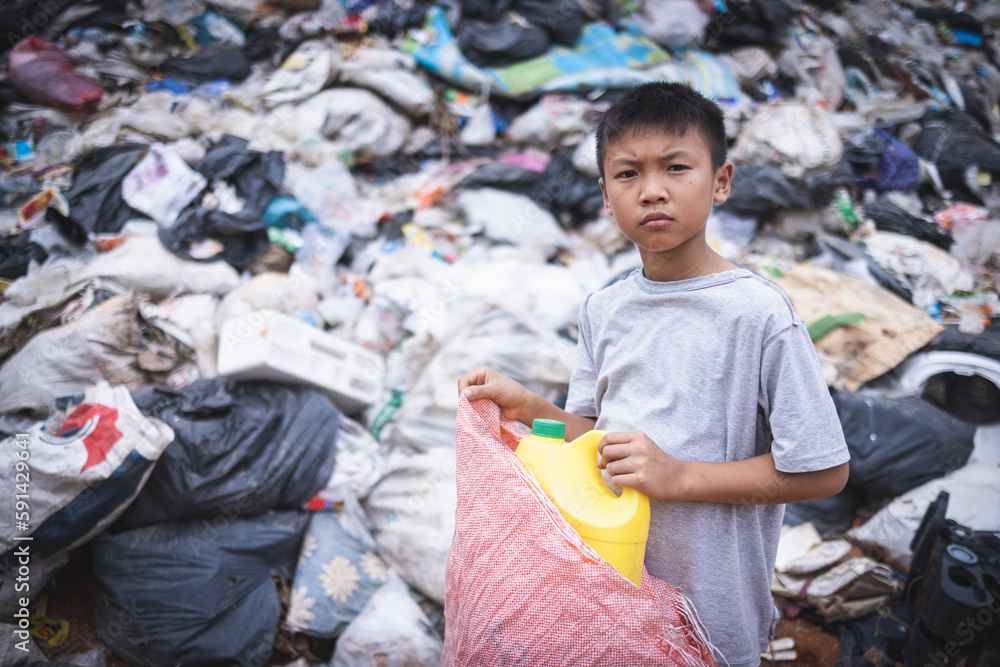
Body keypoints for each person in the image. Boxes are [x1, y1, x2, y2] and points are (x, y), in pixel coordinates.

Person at [457, 82, 850, 667]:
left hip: (711, 618)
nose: (652, 190)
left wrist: (679, 476)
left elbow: (824, 471)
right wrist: (527, 406)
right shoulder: (604, 309)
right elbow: (593, 442)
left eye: (676, 167)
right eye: (628, 174)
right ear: (605, 195)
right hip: (611, 603)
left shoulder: (758, 314)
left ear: (721, 181)